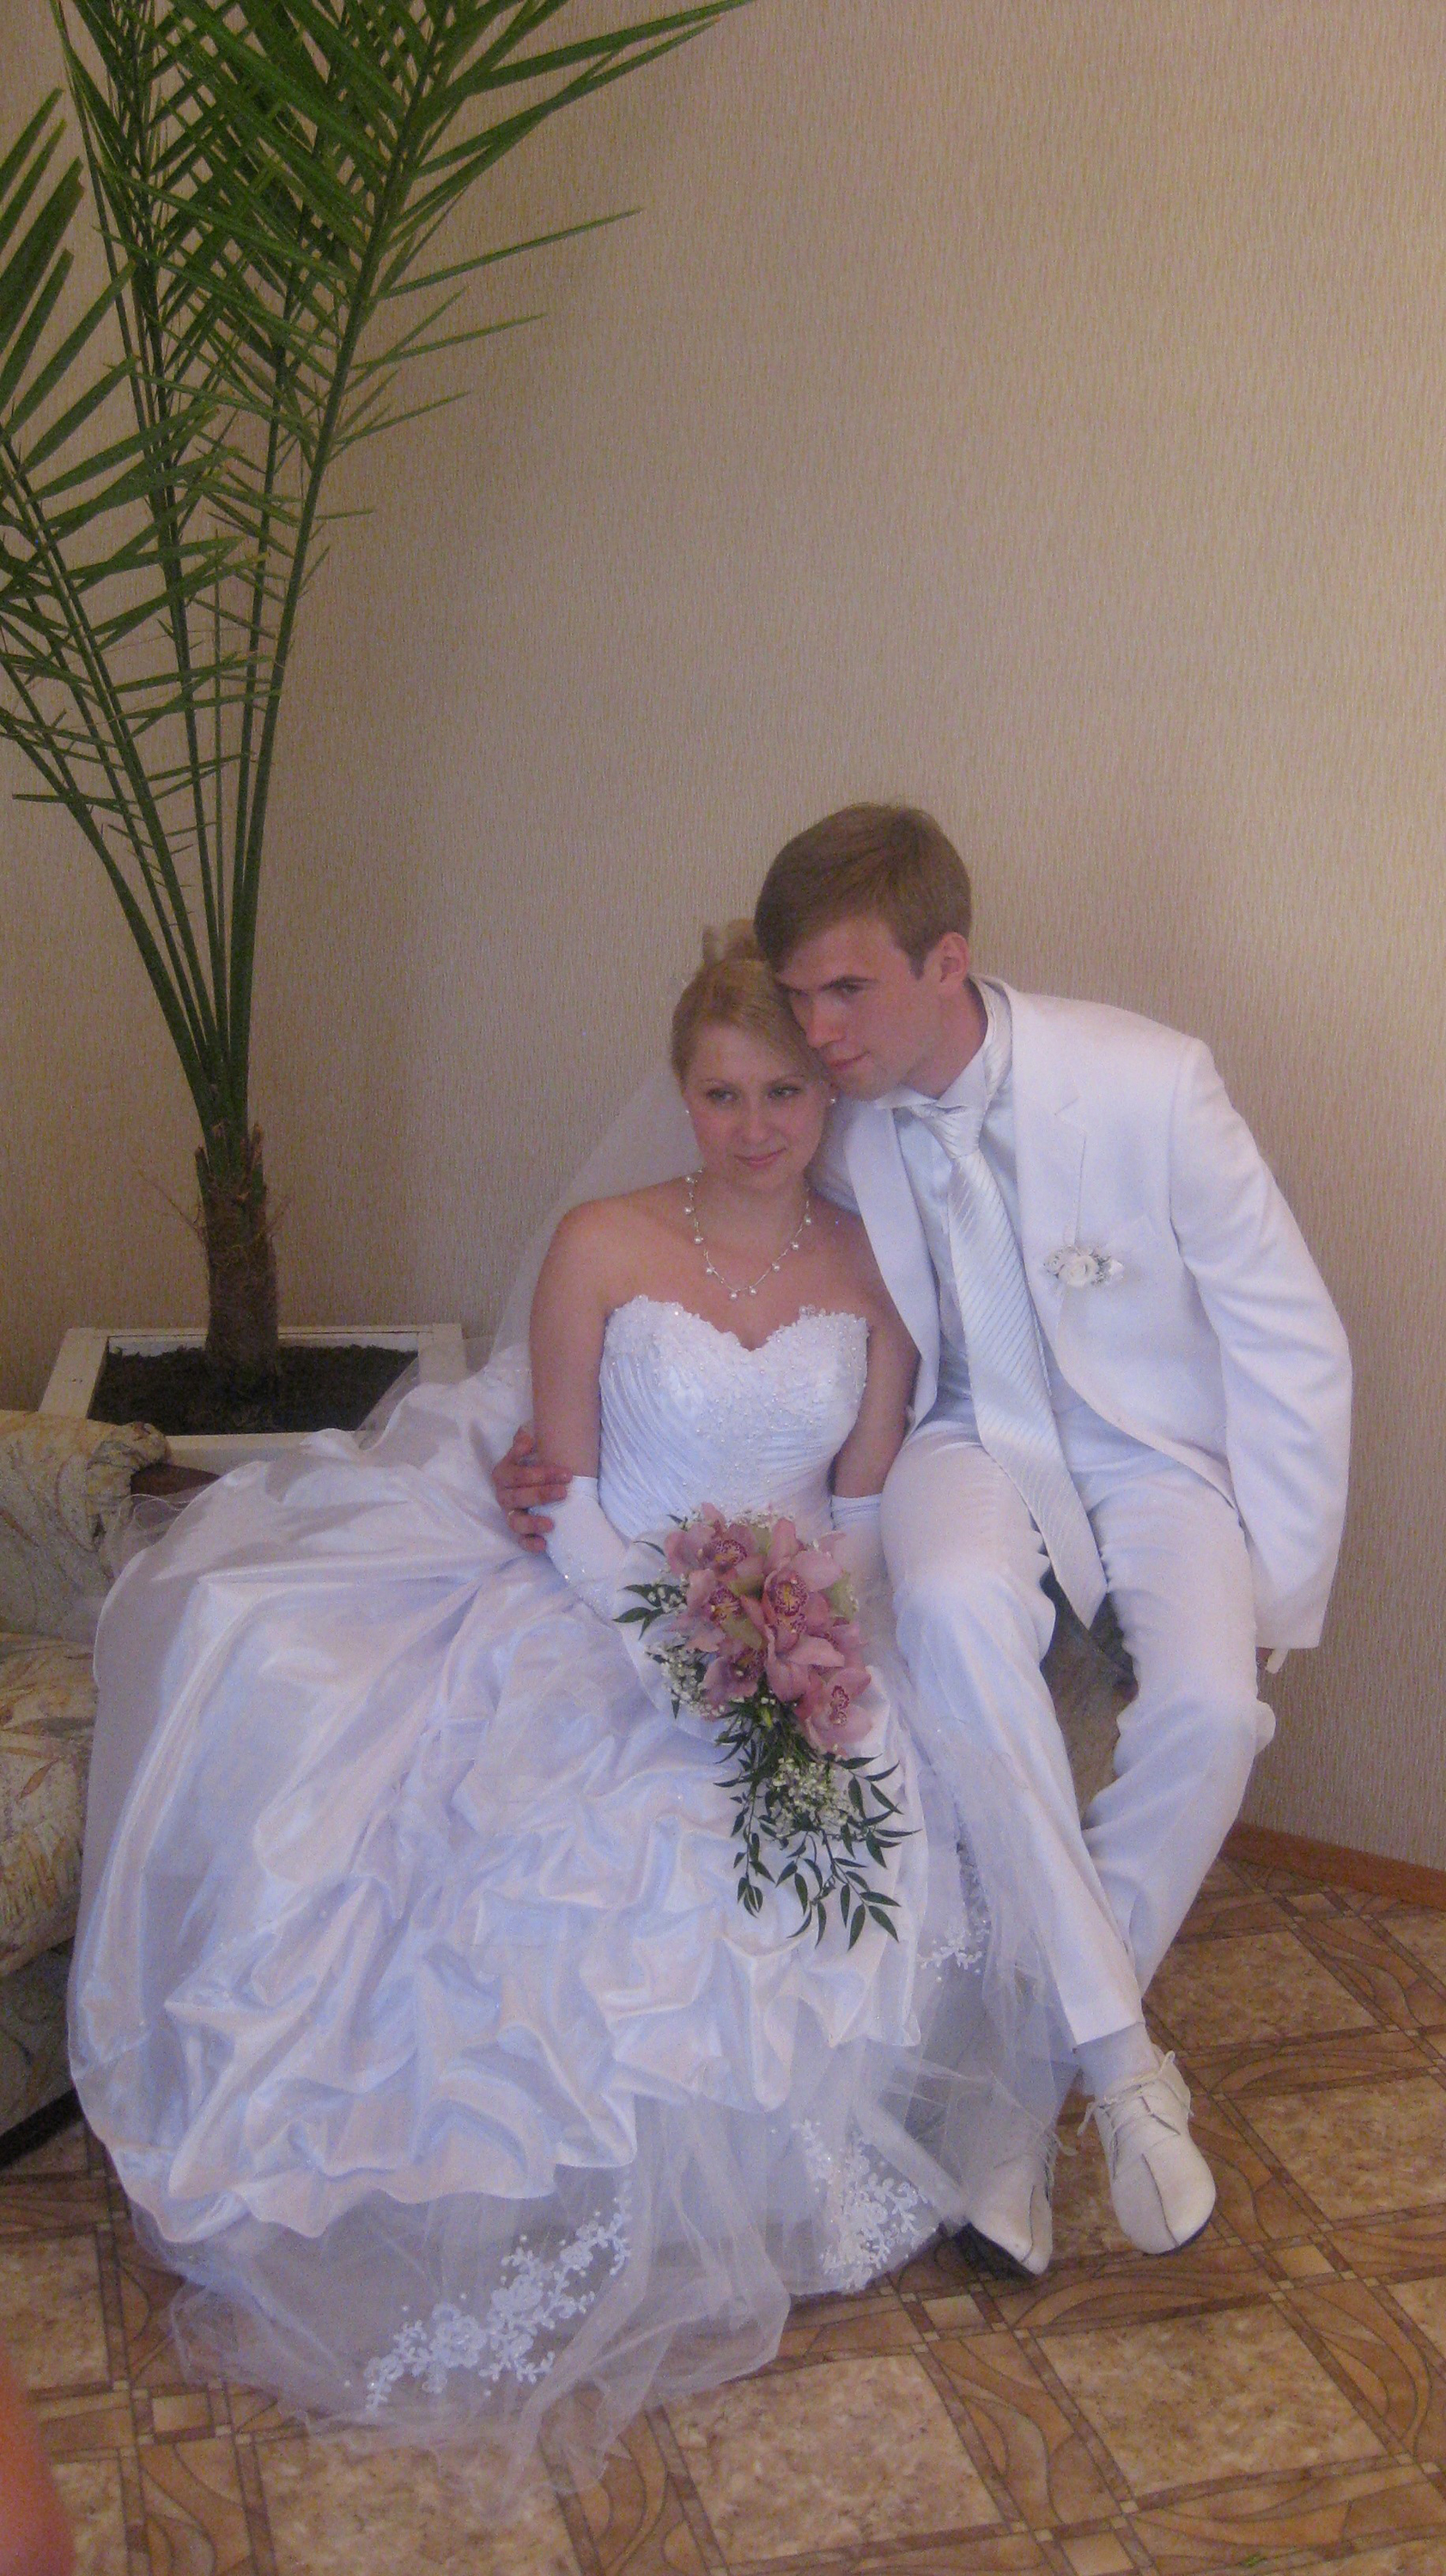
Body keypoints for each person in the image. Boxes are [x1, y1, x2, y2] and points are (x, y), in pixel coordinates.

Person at [70, 930, 1054, 2495]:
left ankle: (777, 2173)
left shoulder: (876, 1268)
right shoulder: (602, 1241)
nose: (753, 1126)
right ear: (680, 1093)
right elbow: (570, 1496)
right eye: (721, 1094)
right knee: (584, 1842)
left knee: (845, 1814)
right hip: (606, 1597)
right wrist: (679, 1649)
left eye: (783, 1093)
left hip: (796, 1617)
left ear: (827, 1095)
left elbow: (863, 1512)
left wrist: (801, 1646)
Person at [499, 806, 1352, 2277]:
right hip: (960, 1438)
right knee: (954, 1607)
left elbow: (1292, 1341)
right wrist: (550, 1470)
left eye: (846, 993)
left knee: (1217, 1712)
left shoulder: (1150, 1082)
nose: (819, 1038)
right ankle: (1122, 2073)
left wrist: (1275, 1590)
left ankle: (1031, 2089)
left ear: (945, 962)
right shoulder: (835, 1111)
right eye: (801, 998)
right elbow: (709, 1267)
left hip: (1151, 1458)